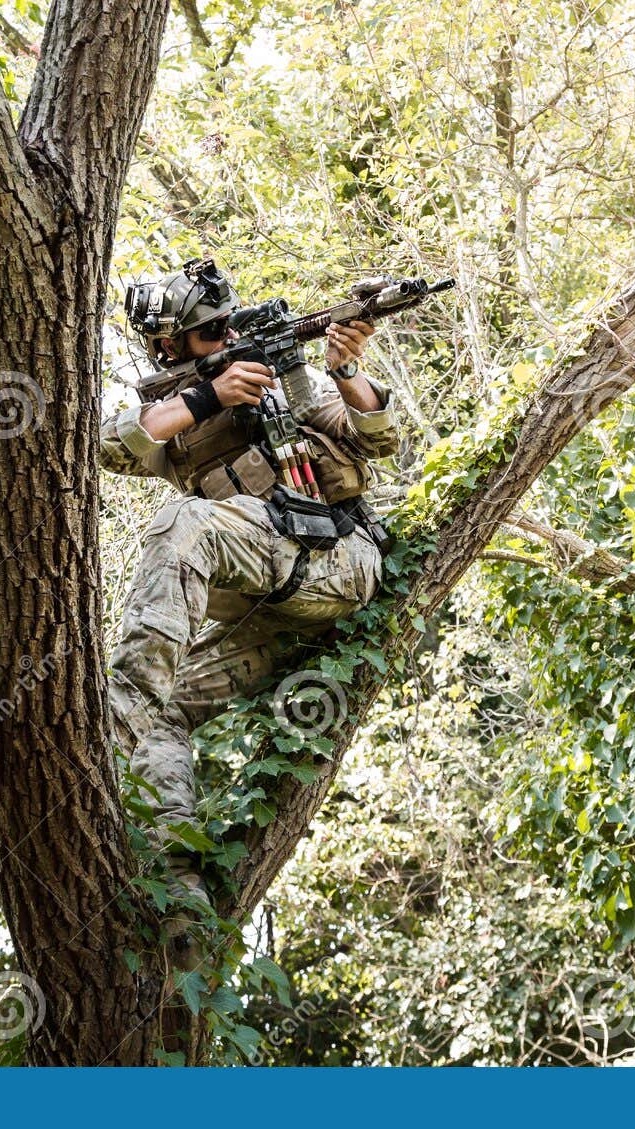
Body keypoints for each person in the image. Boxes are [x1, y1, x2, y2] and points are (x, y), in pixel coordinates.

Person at [102, 259, 399, 962]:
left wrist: (347, 366)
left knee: (185, 524)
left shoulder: (286, 383)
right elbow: (109, 443)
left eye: (229, 324)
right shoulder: (177, 409)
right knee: (166, 713)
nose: (227, 335)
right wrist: (209, 398)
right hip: (271, 610)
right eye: (210, 333)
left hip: (336, 563)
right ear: (168, 348)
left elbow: (378, 437)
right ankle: (180, 897)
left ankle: (107, 728)